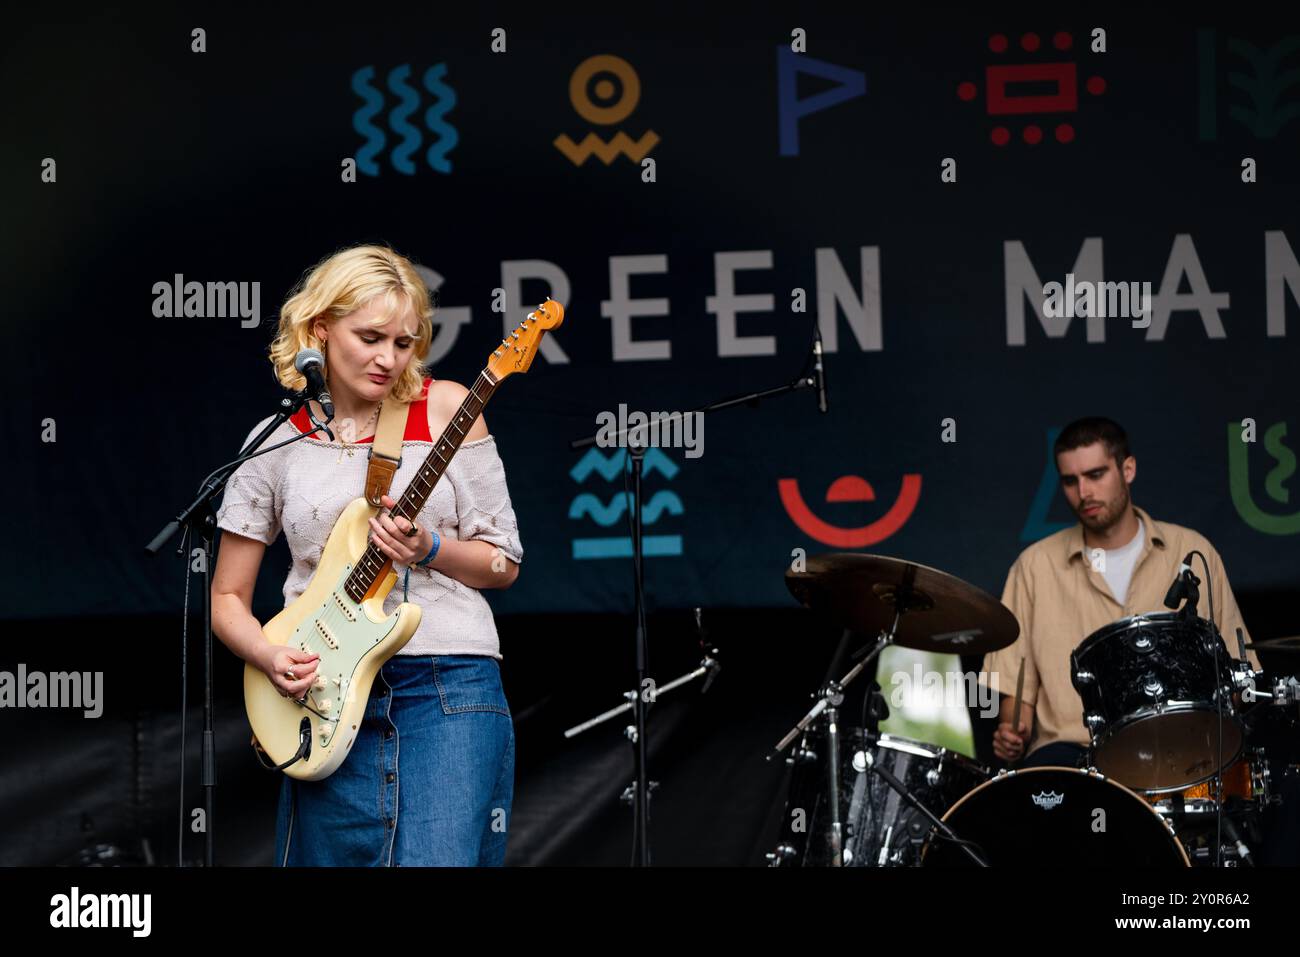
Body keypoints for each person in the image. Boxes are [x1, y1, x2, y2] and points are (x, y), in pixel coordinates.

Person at [211, 244, 523, 865]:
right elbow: (226, 598)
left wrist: (430, 547)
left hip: (445, 685)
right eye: (370, 336)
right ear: (319, 329)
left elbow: (503, 562)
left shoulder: (446, 408)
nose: (388, 358)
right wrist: (270, 656)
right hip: (320, 691)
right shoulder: (274, 441)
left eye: (404, 343)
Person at [982, 417, 1259, 768]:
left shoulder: (1190, 549)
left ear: (1127, 469)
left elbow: (1237, 671)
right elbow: (1014, 686)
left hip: (1179, 752)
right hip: (1072, 757)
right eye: (1070, 481)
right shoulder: (1033, 566)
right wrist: (1013, 728)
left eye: (1095, 475)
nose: (1083, 493)